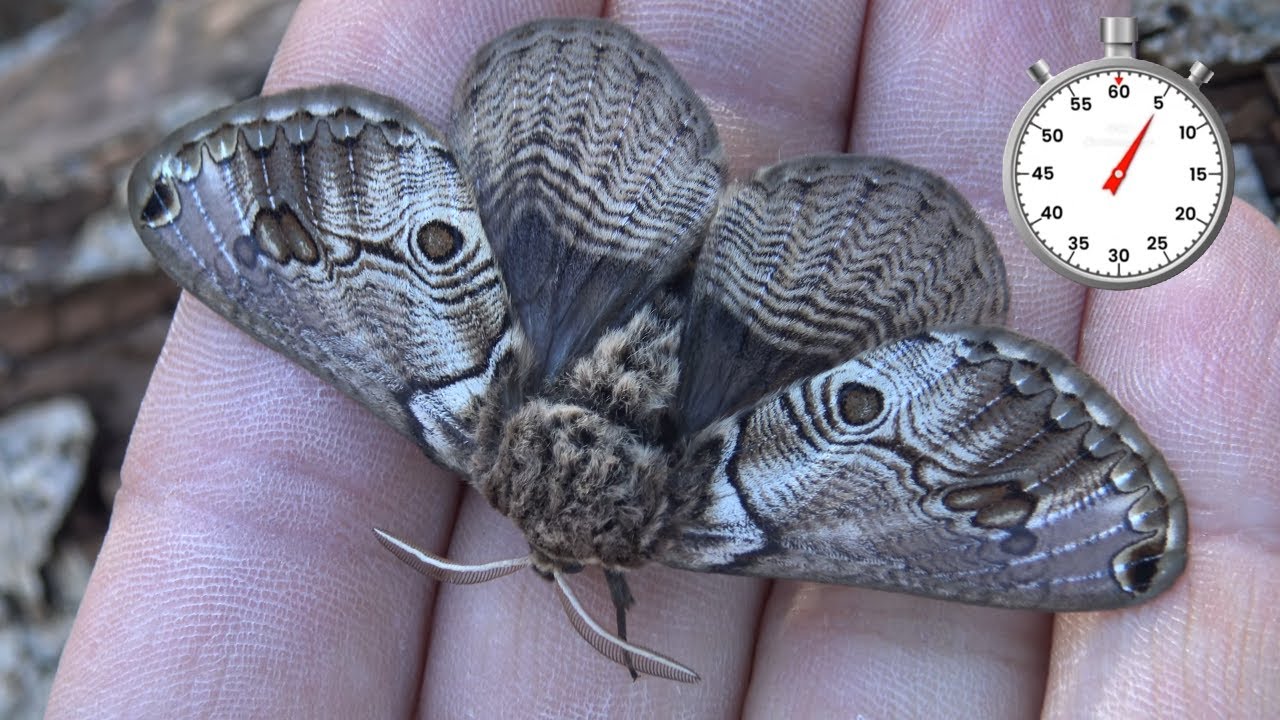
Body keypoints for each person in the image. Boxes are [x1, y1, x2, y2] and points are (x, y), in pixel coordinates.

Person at [47, 1, 1279, 716]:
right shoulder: (540, 450)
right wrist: (1081, 530)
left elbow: (314, 231)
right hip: (788, 317)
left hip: (577, 230)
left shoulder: (492, 429)